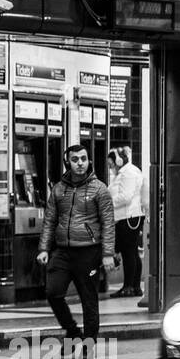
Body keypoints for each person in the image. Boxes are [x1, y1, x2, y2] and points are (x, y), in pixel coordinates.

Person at [36, 143, 116, 339]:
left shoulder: (100, 189)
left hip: (89, 252)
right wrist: (44, 248)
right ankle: (72, 331)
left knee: (89, 300)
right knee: (53, 292)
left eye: (83, 159)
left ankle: (88, 345)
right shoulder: (58, 190)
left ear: (89, 161)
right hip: (63, 251)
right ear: (67, 162)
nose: (80, 163)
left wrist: (107, 254)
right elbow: (49, 221)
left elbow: (108, 224)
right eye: (75, 159)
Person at [107, 146, 145, 298]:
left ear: (118, 160)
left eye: (111, 164)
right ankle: (134, 287)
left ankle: (129, 286)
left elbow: (126, 196)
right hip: (127, 217)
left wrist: (108, 203)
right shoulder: (125, 172)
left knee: (128, 252)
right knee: (132, 252)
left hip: (129, 217)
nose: (110, 168)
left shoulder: (128, 173)